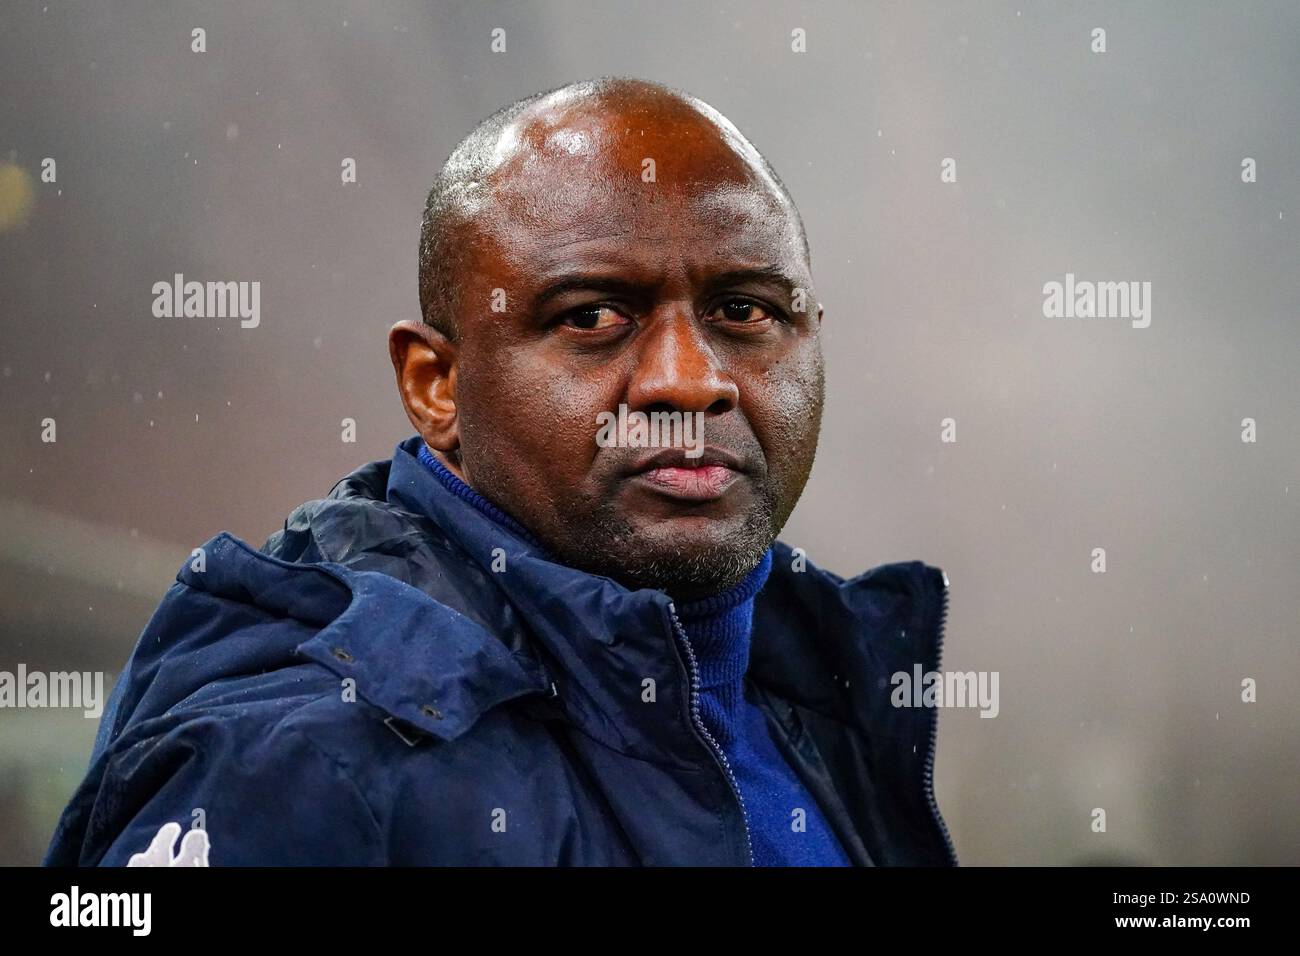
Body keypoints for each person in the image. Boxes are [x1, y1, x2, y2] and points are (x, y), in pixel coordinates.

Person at [45, 76, 956, 866]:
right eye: (594, 314)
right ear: (436, 385)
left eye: (745, 310)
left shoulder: (818, 693)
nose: (689, 379)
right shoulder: (297, 760)